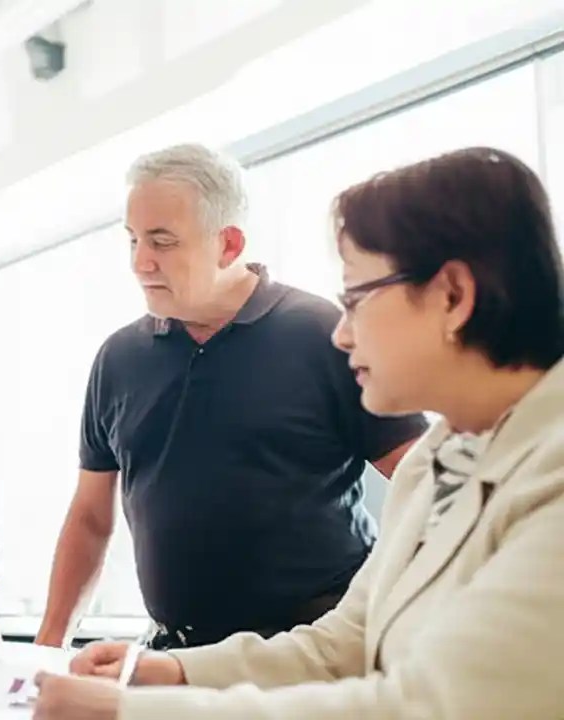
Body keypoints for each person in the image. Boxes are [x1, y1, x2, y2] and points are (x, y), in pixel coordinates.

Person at [33, 146, 564, 719]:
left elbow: (430, 707)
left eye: (357, 298)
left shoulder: (550, 479)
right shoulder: (437, 462)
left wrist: (129, 714)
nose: (342, 333)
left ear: (452, 297)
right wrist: (170, 670)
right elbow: (342, 644)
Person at [35, 143, 428, 652]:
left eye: (162, 241)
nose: (139, 261)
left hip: (312, 655)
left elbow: (423, 476)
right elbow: (90, 518)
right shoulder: (118, 359)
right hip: (177, 656)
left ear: (229, 244)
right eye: (132, 239)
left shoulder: (325, 334)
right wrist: (48, 647)